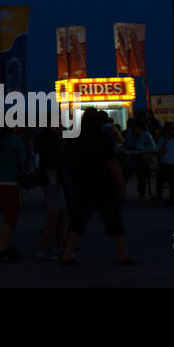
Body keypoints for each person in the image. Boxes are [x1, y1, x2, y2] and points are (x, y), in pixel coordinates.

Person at [61, 110, 135, 266]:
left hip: (82, 184)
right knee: (113, 219)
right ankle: (122, 254)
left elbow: (68, 161)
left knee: (78, 220)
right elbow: (112, 163)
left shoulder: (75, 139)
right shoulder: (103, 138)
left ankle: (67, 253)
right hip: (103, 184)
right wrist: (121, 183)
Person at [0, 123, 27, 262]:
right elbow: (23, 158)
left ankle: (7, 245)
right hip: (10, 181)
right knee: (10, 217)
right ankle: (2, 249)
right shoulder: (14, 139)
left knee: (7, 214)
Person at [35, 126, 67, 261]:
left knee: (59, 214)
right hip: (53, 181)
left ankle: (57, 247)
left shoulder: (46, 141)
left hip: (52, 181)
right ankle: (44, 249)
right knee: (54, 215)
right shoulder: (53, 143)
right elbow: (53, 164)